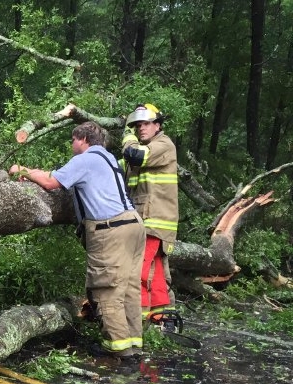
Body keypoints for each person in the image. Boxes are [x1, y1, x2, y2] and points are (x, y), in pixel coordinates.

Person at [9, 121, 145, 359]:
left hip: (110, 230)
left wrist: (21, 170)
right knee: (128, 290)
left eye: (73, 140)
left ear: (83, 139)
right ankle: (134, 345)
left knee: (106, 290)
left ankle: (120, 351)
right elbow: (64, 181)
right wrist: (36, 174)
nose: (72, 144)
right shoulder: (108, 159)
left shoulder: (85, 160)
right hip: (133, 226)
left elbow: (52, 182)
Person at [122, 103, 179, 323]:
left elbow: (135, 155)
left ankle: (137, 320)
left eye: (145, 123)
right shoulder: (147, 148)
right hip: (145, 221)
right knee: (154, 273)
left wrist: (127, 136)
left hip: (154, 222)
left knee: (138, 272)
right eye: (136, 125)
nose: (140, 128)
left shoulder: (162, 145)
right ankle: (159, 318)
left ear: (157, 125)